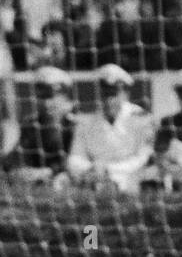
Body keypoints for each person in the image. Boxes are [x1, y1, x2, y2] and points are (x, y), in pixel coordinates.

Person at [65, 63, 154, 194]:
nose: (109, 100)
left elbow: (143, 158)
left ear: (125, 93)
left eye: (114, 94)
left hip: (130, 181)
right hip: (94, 179)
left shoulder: (142, 119)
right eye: (105, 94)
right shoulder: (86, 122)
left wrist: (108, 170)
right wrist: (92, 169)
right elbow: (74, 158)